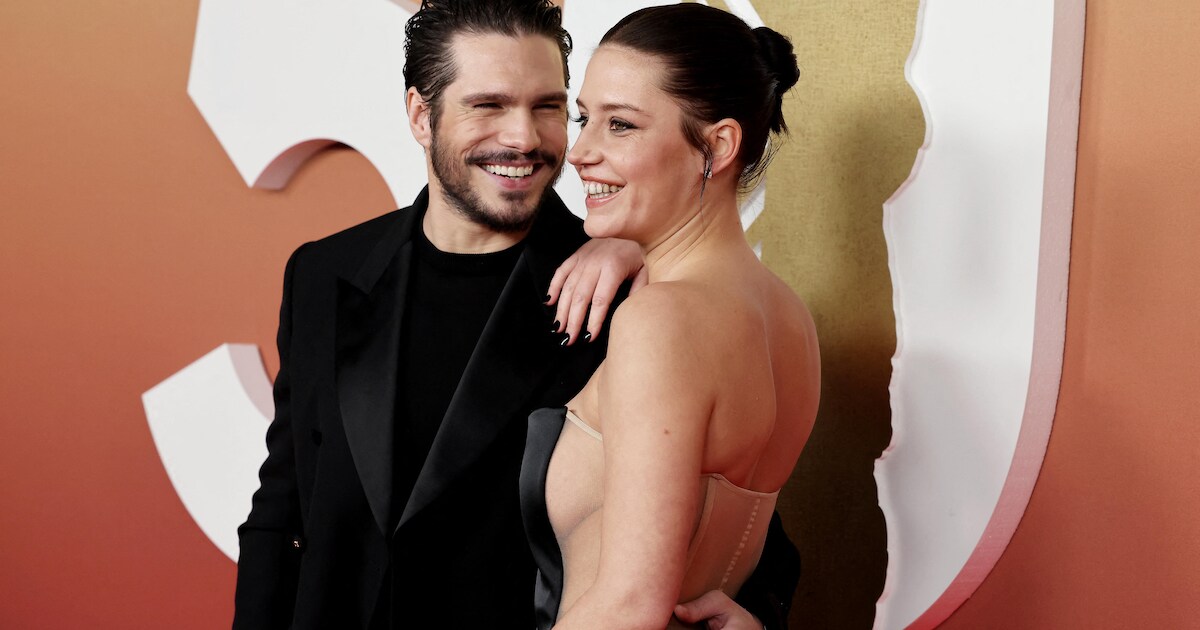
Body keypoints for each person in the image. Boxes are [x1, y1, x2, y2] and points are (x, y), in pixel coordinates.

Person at [232, 1, 799, 629]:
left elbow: (726, 513)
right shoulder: (322, 273)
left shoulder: (628, 293)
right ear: (422, 115)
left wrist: (759, 614)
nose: (524, 138)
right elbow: (281, 508)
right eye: (489, 105)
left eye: (549, 108)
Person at [519, 4, 819, 629]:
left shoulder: (660, 320)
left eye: (621, 125)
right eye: (584, 119)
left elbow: (631, 605)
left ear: (718, 145)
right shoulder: (790, 320)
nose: (580, 152)